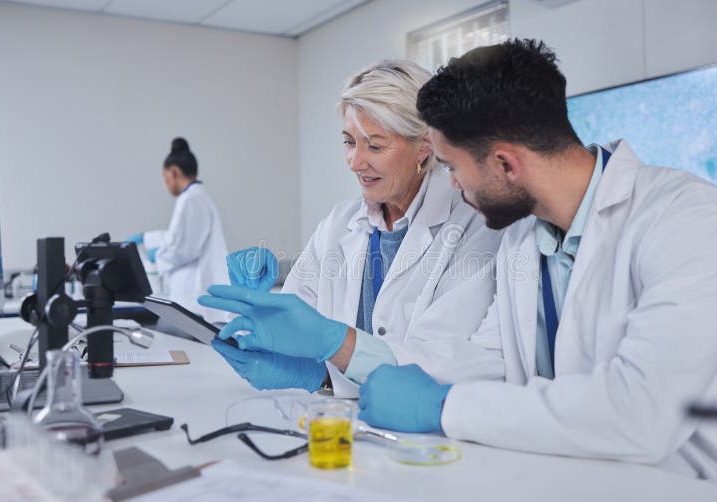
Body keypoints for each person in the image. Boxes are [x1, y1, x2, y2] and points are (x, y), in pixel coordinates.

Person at [353, 39, 717, 480]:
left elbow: (641, 416)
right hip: (569, 479)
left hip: (690, 487)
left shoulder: (692, 222)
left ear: (505, 164)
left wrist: (440, 407)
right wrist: (356, 354)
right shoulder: (522, 237)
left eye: (453, 168)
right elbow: (484, 360)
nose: (453, 187)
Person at [199, 60, 504, 393]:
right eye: (349, 142)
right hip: (338, 421)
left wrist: (335, 353)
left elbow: (446, 361)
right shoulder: (339, 224)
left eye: (375, 145)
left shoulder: (475, 225)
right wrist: (257, 310)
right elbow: (293, 335)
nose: (356, 162)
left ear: (425, 145)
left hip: (427, 436)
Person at [127, 138, 229, 322]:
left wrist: (158, 256)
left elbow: (183, 248)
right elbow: (180, 237)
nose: (166, 185)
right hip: (189, 296)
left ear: (174, 172)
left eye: (166, 178)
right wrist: (147, 238)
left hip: (193, 297)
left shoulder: (191, 200)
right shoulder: (195, 198)